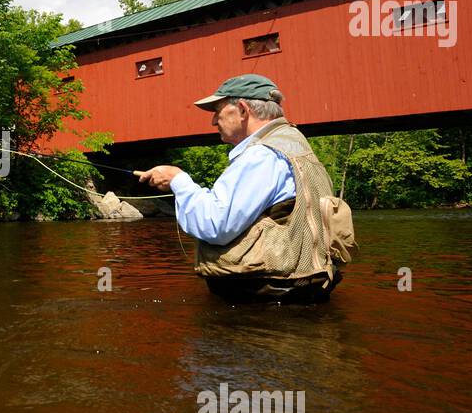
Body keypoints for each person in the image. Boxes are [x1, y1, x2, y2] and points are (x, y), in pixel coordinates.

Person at [136, 74, 351, 303]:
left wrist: (178, 180)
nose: (213, 121)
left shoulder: (261, 156)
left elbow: (214, 224)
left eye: (217, 111)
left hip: (268, 300)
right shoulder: (297, 145)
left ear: (242, 109)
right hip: (306, 288)